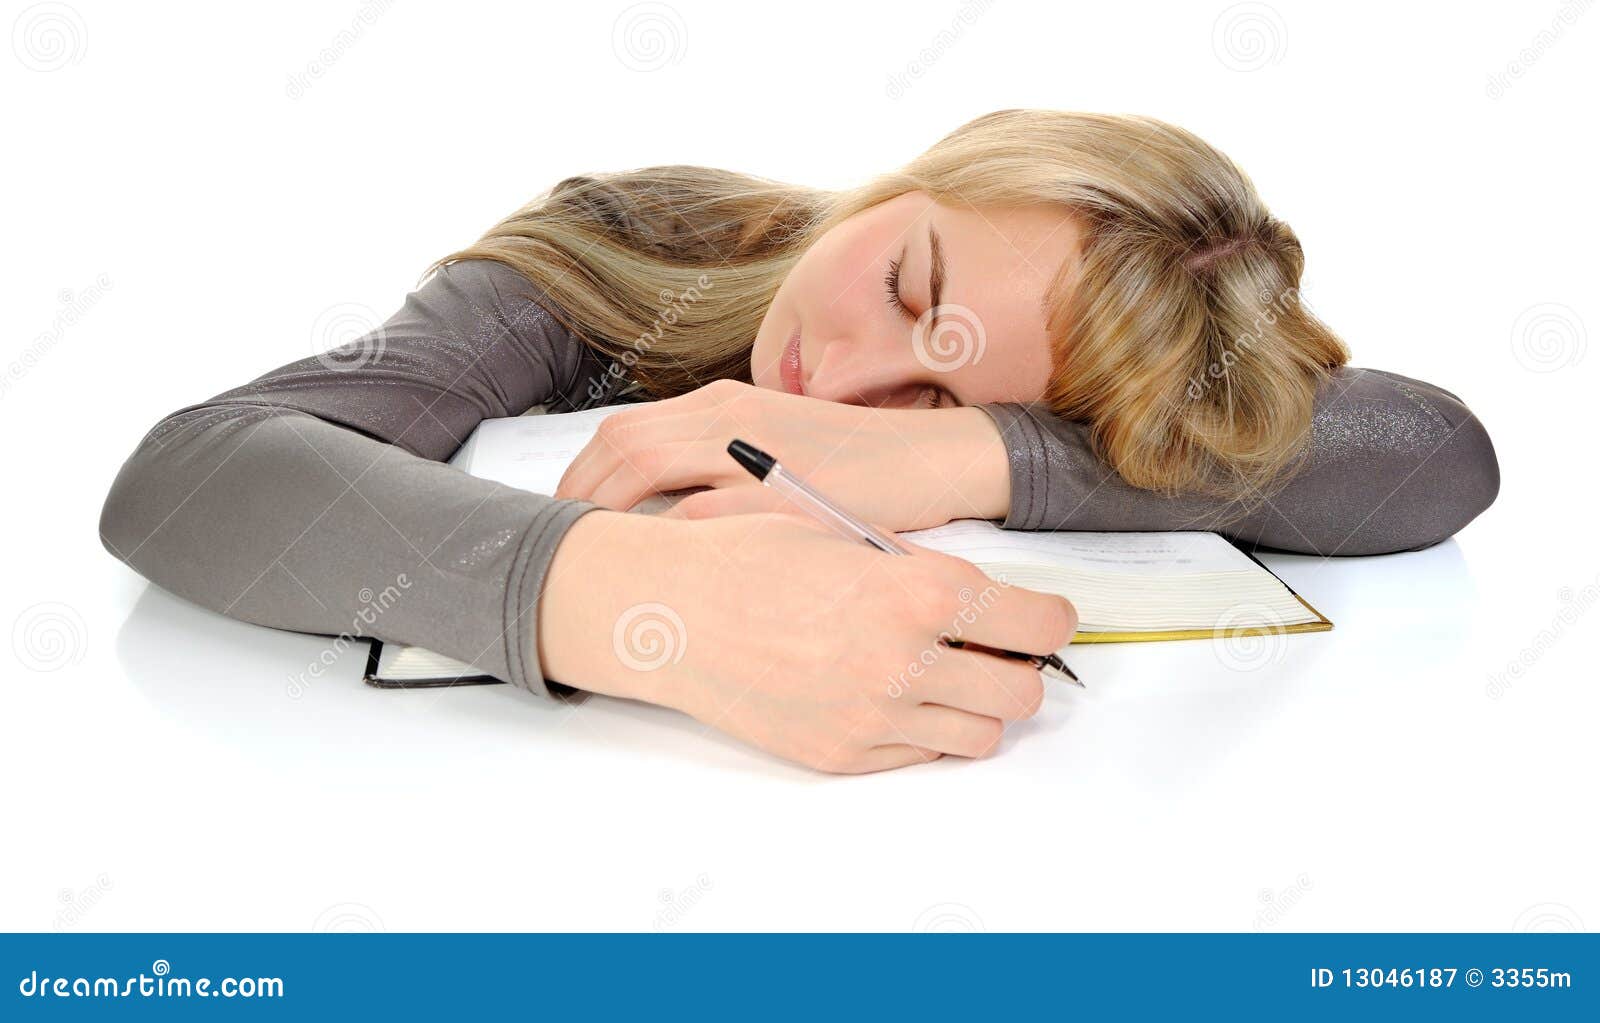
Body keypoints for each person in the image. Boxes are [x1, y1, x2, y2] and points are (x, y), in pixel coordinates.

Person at [98, 110, 1498, 774]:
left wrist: (972, 461)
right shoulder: (622, 249)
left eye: (946, 393)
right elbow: (196, 473)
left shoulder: (1056, 405)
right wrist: (651, 608)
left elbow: (1437, 453)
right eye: (906, 288)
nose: (850, 370)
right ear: (920, 174)